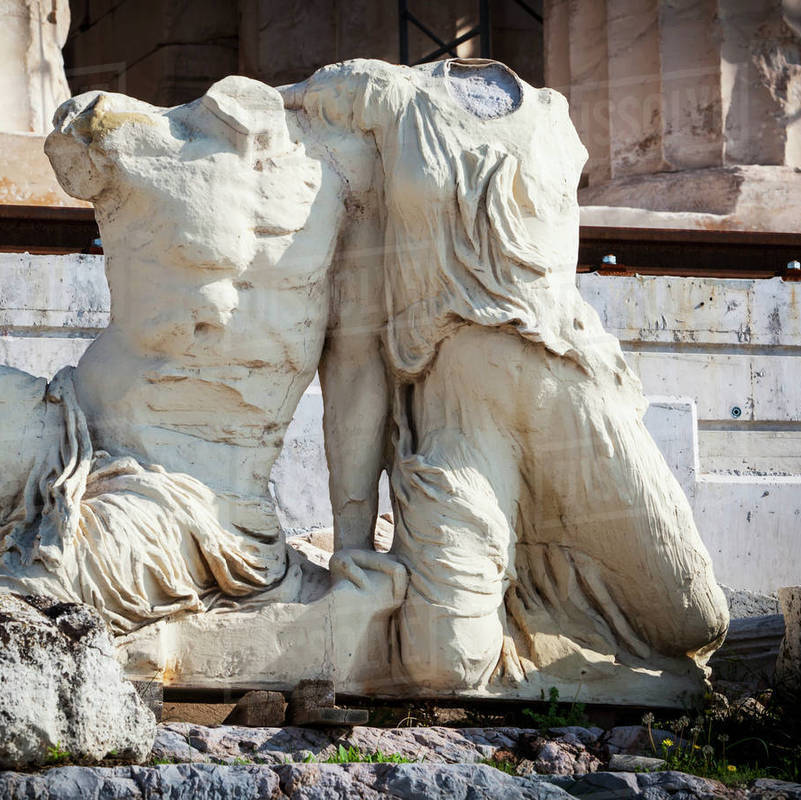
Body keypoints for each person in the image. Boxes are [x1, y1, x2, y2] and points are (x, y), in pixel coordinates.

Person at [286, 58, 729, 690]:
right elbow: (254, 110)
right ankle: (523, 628)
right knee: (445, 664)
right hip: (460, 426)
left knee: (695, 618)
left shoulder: (553, 115)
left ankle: (556, 629)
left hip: (574, 405)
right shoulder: (387, 95)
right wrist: (351, 547)